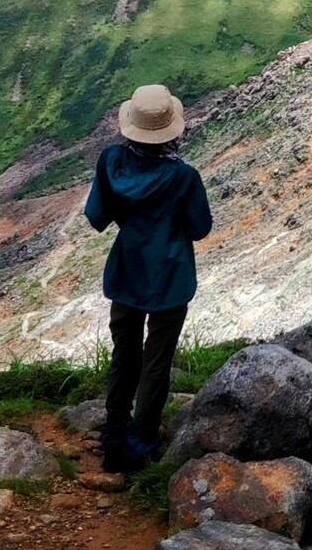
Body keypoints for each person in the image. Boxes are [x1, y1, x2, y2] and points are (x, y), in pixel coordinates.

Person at [83, 83, 213, 473]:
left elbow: (96, 217)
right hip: (170, 276)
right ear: (171, 130)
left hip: (127, 270)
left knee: (124, 351)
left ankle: (114, 432)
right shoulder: (183, 177)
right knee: (157, 358)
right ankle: (141, 441)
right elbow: (199, 227)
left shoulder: (111, 162)